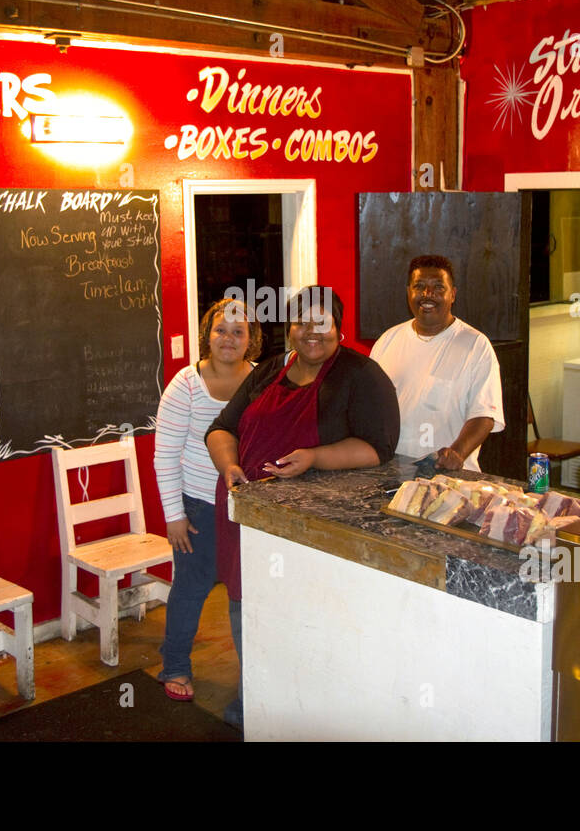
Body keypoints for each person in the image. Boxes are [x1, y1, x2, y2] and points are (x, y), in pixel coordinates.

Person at [206, 285, 399, 728]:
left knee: (300, 615)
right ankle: (253, 695)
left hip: (311, 525)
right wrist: (229, 465)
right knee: (245, 607)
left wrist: (315, 457)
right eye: (301, 322)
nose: (312, 332)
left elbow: (378, 447)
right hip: (249, 512)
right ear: (289, 328)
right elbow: (221, 428)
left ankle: (297, 709)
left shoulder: (361, 375)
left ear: (339, 329)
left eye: (322, 322)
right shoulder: (271, 370)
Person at [154, 298, 261, 703]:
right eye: (220, 330)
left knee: (243, 593)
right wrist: (174, 515)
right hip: (198, 507)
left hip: (246, 509)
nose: (228, 339)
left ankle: (252, 679)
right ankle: (176, 664)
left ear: (251, 339)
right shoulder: (186, 385)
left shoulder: (261, 381)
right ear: (207, 335)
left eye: (238, 331)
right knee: (191, 588)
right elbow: (164, 455)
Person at [370, 255, 504, 471]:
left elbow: (484, 415)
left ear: (453, 294)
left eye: (438, 287)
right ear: (408, 293)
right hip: (392, 472)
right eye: (419, 286)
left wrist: (457, 453)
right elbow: (370, 407)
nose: (427, 294)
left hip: (450, 477)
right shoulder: (387, 341)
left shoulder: (476, 345)